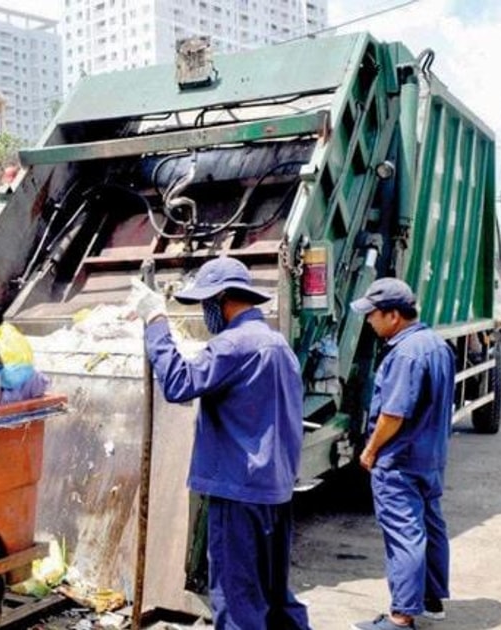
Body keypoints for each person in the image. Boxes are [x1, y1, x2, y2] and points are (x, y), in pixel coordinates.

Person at [130, 257, 310, 630]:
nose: (205, 312)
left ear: (224, 298)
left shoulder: (232, 346)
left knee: (236, 598)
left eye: (206, 303)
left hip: (239, 491)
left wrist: (156, 324)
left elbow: (179, 384)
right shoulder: (279, 346)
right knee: (276, 598)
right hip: (276, 491)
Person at [349, 278, 454, 630]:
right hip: (430, 456)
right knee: (430, 525)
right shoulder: (437, 345)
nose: (368, 321)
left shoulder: (405, 354)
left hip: (400, 459)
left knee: (404, 534)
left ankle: (400, 618)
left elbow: (394, 414)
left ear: (393, 315)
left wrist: (371, 449)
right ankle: (430, 599)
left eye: (373, 315)